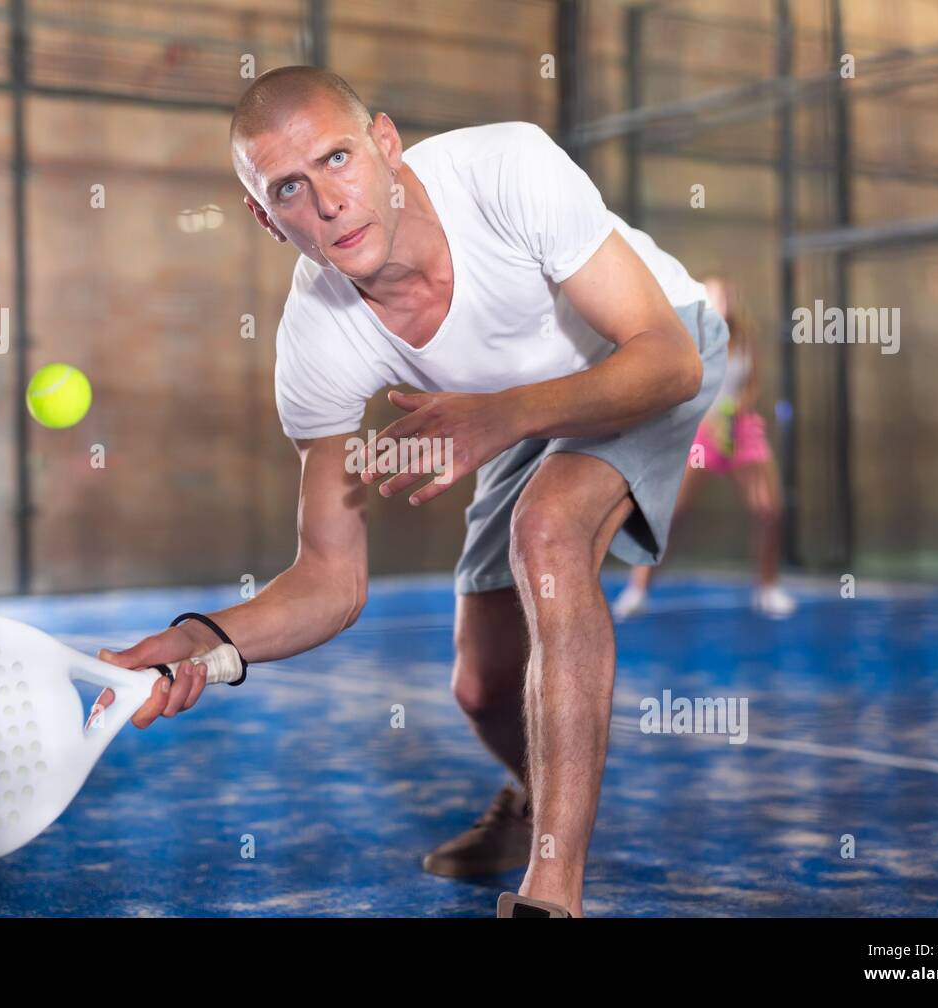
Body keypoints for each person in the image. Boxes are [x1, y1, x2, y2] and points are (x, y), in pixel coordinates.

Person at [92, 66, 728, 918]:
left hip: (646, 348)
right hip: (508, 409)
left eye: (338, 159)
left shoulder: (506, 169)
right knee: (481, 690)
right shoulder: (318, 343)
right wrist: (204, 636)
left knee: (547, 529)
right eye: (289, 187)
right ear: (264, 216)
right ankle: (534, 796)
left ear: (387, 145)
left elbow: (666, 360)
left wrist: (499, 419)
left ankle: (554, 893)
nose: (326, 202)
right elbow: (329, 579)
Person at [611, 276, 796, 621]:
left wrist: (736, 410)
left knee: (769, 508)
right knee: (672, 512)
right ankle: (637, 590)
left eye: (725, 295)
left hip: (741, 430)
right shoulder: (686, 336)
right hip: (699, 432)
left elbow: (751, 384)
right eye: (713, 295)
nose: (720, 301)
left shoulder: (745, 337)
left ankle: (768, 589)